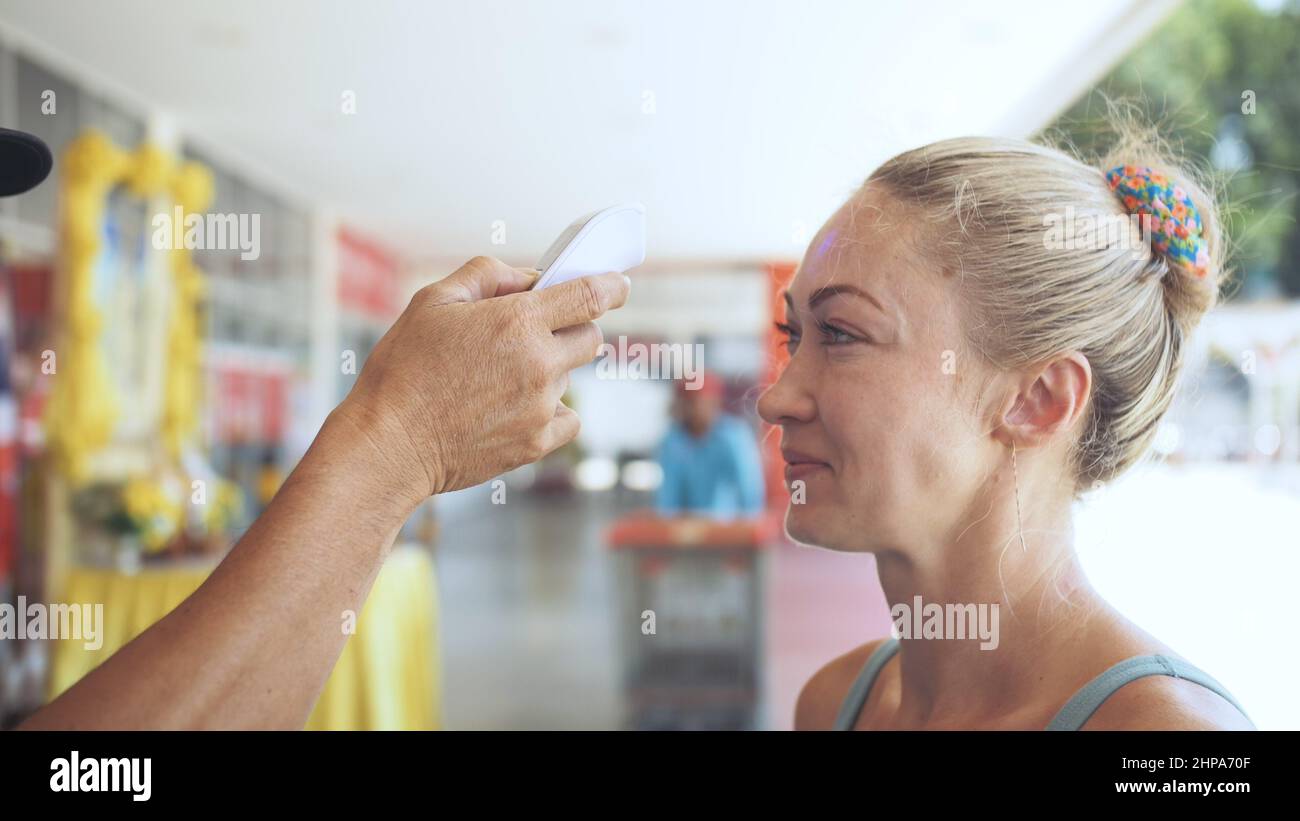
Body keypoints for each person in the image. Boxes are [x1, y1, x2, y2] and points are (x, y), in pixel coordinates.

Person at [759, 132, 1256, 730]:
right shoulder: (835, 703)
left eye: (840, 333)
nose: (776, 398)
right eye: (795, 336)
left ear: (1038, 401)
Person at [654, 372, 764, 519]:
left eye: (698, 401)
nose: (694, 409)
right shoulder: (672, 441)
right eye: (688, 402)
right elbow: (668, 494)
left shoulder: (734, 437)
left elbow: (749, 488)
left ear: (714, 402)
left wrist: (751, 527)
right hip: (686, 529)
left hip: (728, 528)